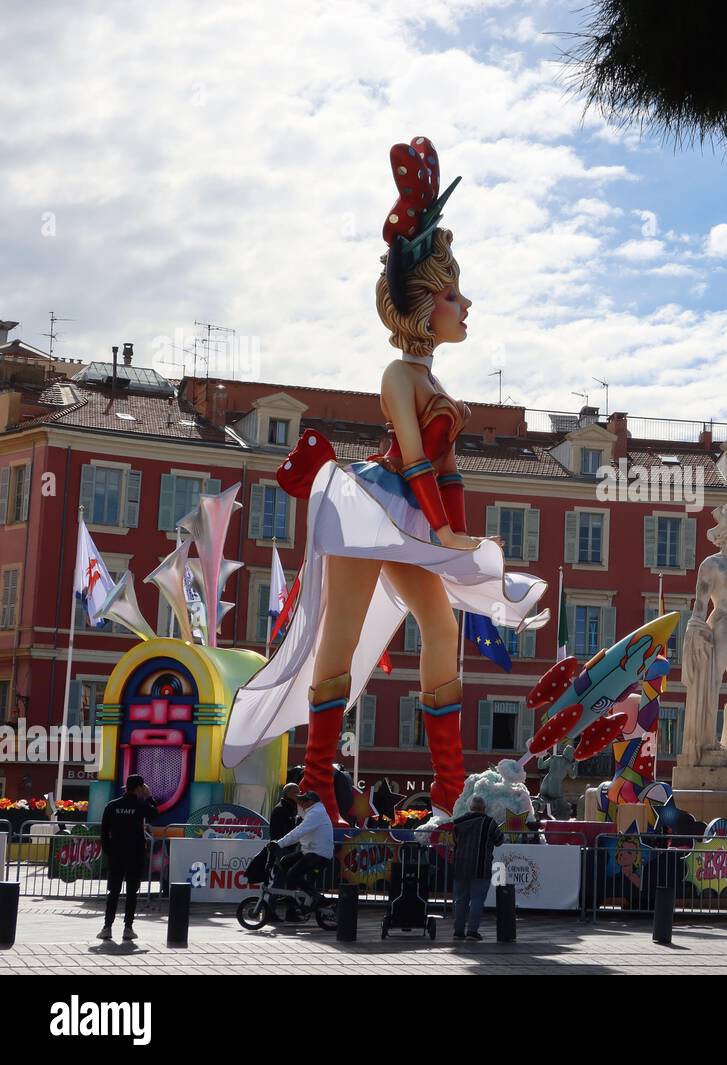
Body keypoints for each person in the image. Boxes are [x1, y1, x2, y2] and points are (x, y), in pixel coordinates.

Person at [223, 137, 549, 825]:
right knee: (337, 636)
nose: (468, 305)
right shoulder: (400, 375)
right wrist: (443, 529)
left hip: (409, 513)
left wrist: (452, 531)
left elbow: (448, 470)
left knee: (440, 625)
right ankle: (316, 786)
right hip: (372, 506)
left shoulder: (430, 378)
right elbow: (416, 456)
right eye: (455, 293)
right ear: (426, 306)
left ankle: (447, 790)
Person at [97, 775, 158, 941]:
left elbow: (103, 832)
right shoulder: (140, 805)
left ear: (126, 787)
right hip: (135, 854)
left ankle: (107, 927)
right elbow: (155, 813)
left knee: (113, 892)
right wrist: (149, 796)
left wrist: (109, 850)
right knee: (132, 892)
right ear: (139, 788)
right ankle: (128, 928)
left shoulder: (112, 805)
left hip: (116, 854)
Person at [451, 796, 504, 941]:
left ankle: (458, 931)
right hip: (481, 867)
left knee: (460, 900)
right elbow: (499, 840)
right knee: (477, 900)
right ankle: (472, 931)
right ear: (484, 808)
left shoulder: (458, 822)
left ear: (470, 808)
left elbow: (454, 841)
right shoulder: (489, 823)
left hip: (460, 866)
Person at [273, 791, 335, 910]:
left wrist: (279, 844)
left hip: (318, 853)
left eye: (303, 801)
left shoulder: (316, 813)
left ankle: (318, 898)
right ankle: (291, 898)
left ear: (310, 802)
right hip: (312, 850)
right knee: (285, 861)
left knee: (293, 874)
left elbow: (299, 831)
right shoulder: (314, 810)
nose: (300, 803)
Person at [266, 783, 300, 921]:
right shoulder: (281, 810)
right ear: (289, 793)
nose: (300, 794)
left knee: (289, 881)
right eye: (297, 792)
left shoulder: (290, 807)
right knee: (280, 881)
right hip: (283, 850)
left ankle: (289, 911)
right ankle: (270, 911)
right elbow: (280, 833)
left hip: (287, 849)